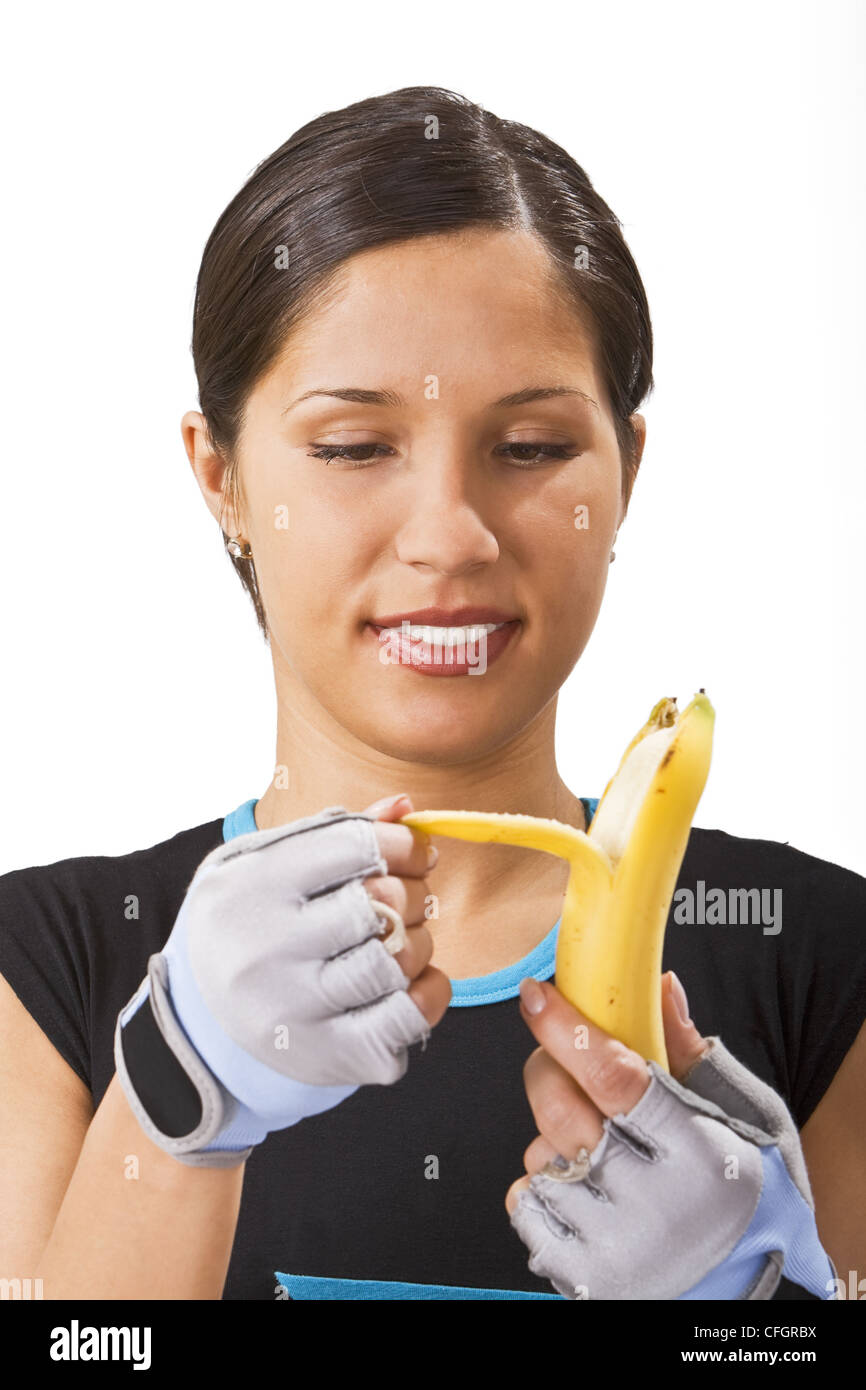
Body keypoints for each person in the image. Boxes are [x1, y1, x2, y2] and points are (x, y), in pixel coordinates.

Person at [1, 86, 864, 1302]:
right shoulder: (44, 976)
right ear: (222, 480)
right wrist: (173, 1098)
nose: (449, 537)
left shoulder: (824, 967)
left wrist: (767, 1318)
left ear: (624, 474)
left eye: (529, 449)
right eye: (352, 449)